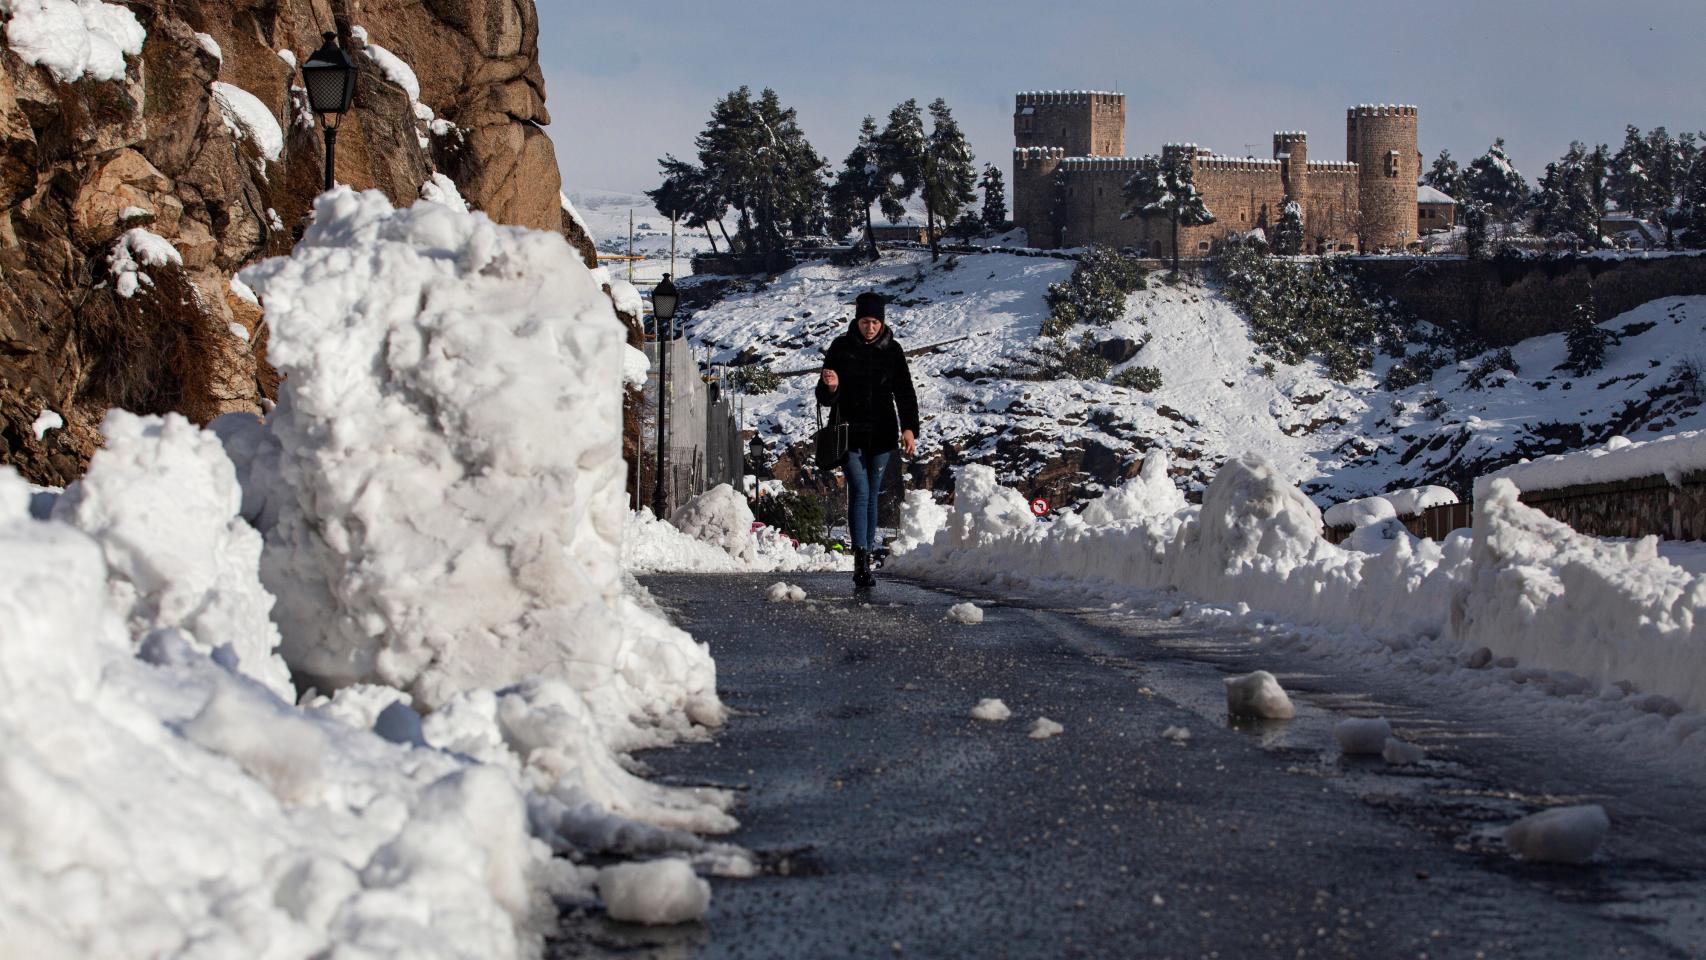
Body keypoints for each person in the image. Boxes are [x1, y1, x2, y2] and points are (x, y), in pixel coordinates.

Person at [816, 291, 920, 588]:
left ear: (882, 322)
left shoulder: (894, 350)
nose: (870, 327)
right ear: (857, 320)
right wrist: (832, 386)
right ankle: (860, 559)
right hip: (849, 432)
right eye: (865, 321)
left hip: (884, 434)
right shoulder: (840, 347)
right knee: (860, 491)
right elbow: (823, 396)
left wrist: (909, 428)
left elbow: (905, 392)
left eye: (874, 322)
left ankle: (868, 554)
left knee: (873, 495)